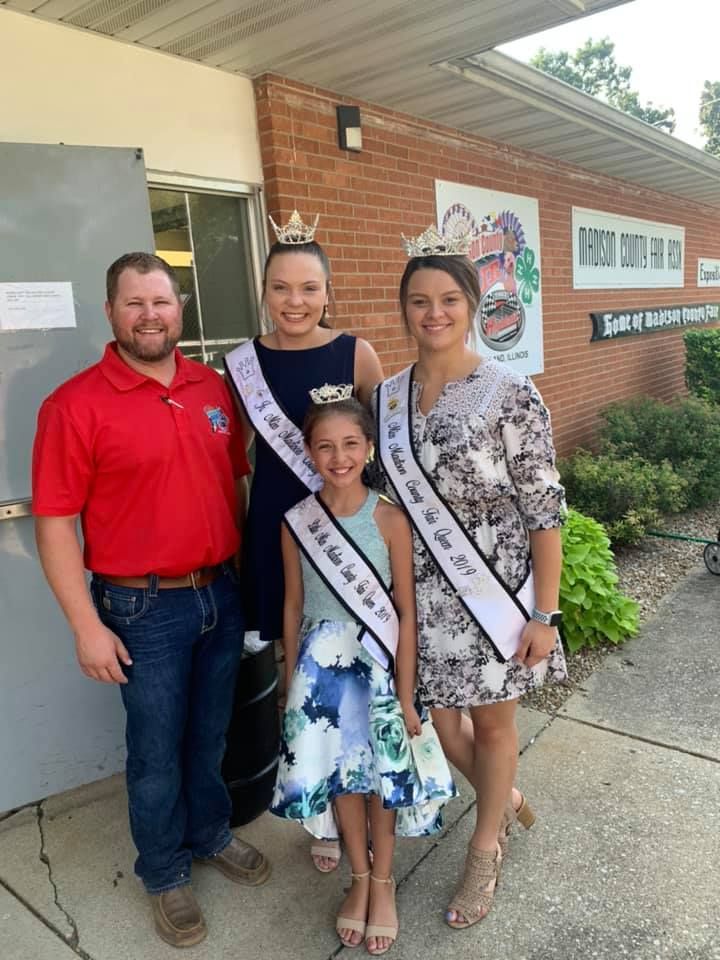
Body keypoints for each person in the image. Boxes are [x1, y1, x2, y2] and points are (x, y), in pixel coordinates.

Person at [31, 252, 269, 949]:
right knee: (155, 752)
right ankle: (164, 873)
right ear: (111, 312)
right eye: (134, 303)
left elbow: (236, 480)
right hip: (142, 611)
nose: (149, 315)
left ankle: (210, 833)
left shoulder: (213, 389)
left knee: (210, 734)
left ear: (179, 310)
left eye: (160, 302)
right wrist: (85, 627)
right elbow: (54, 524)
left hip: (218, 594)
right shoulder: (73, 405)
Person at [373, 227, 567, 930]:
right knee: (438, 726)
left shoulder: (510, 393)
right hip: (419, 590)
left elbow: (545, 510)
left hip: (492, 586)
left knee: (489, 727)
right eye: (419, 301)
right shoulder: (387, 399)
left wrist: (544, 615)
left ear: (473, 304)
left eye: (449, 298)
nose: (434, 313)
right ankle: (504, 797)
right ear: (404, 309)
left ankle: (485, 847)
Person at [224, 210, 383, 872]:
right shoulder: (240, 365)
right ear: (265, 290)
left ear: (327, 290)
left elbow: (385, 451)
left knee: (355, 669)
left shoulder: (356, 353)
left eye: (309, 288)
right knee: (300, 677)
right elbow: (232, 460)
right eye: (282, 288)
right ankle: (321, 815)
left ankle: (370, 798)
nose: (296, 301)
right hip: (275, 532)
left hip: (350, 533)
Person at [270, 398, 455, 954]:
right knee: (343, 775)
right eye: (325, 446)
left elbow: (407, 610)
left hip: (378, 661)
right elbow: (293, 606)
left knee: (381, 776)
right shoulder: (296, 522)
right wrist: (287, 685)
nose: (339, 456)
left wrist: (406, 692)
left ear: (369, 448)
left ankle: (383, 881)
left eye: (351, 444)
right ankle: (357, 875)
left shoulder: (389, 518)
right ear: (308, 452)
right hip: (322, 671)